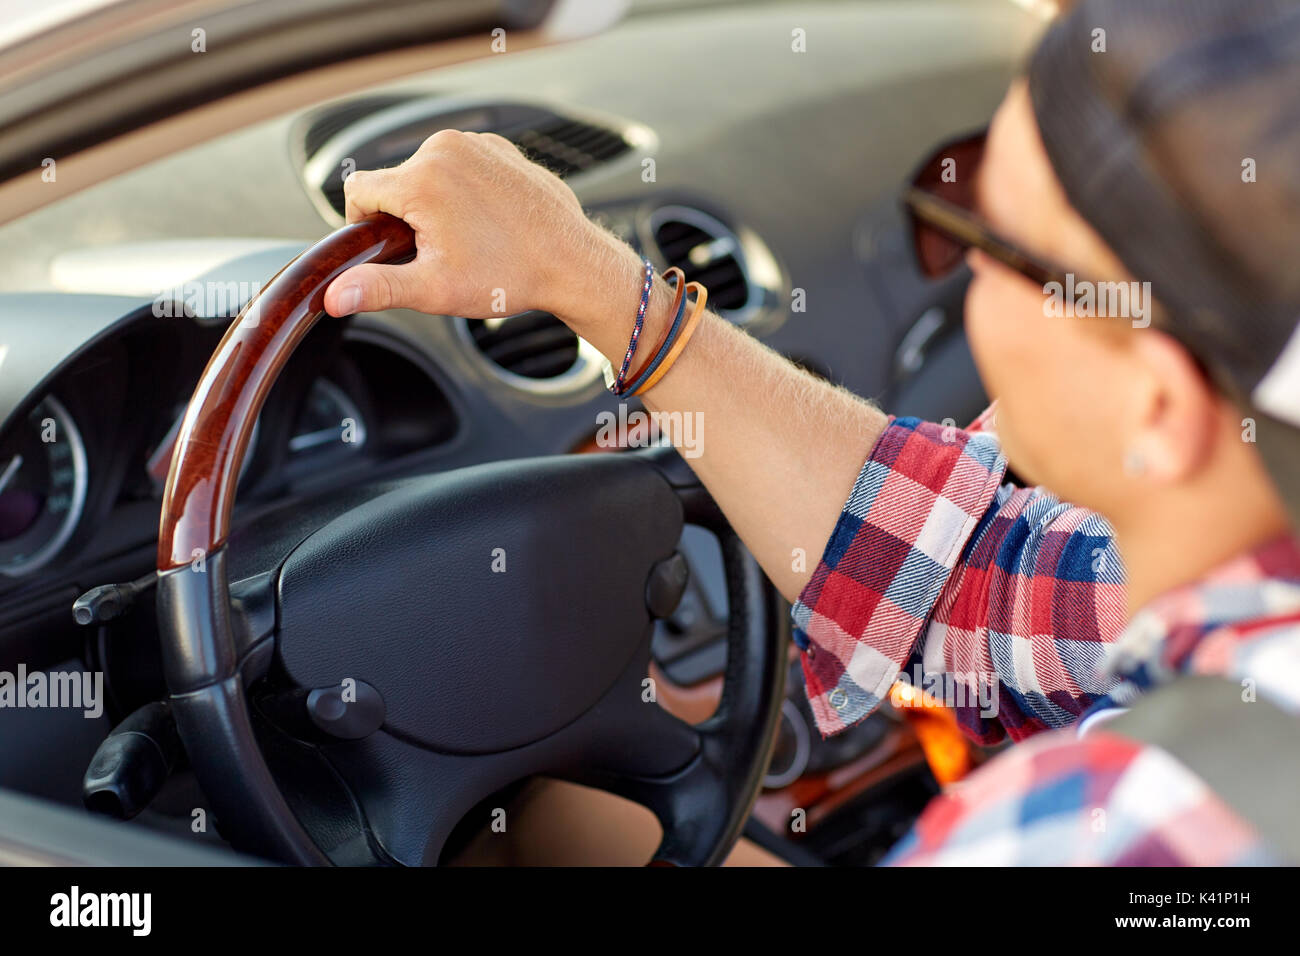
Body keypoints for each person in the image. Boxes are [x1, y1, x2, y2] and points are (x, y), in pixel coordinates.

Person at [324, 0, 1300, 865]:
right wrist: (582, 274)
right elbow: (969, 580)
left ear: (1159, 406)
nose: (968, 274)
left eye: (993, 239)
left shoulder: (1104, 826)